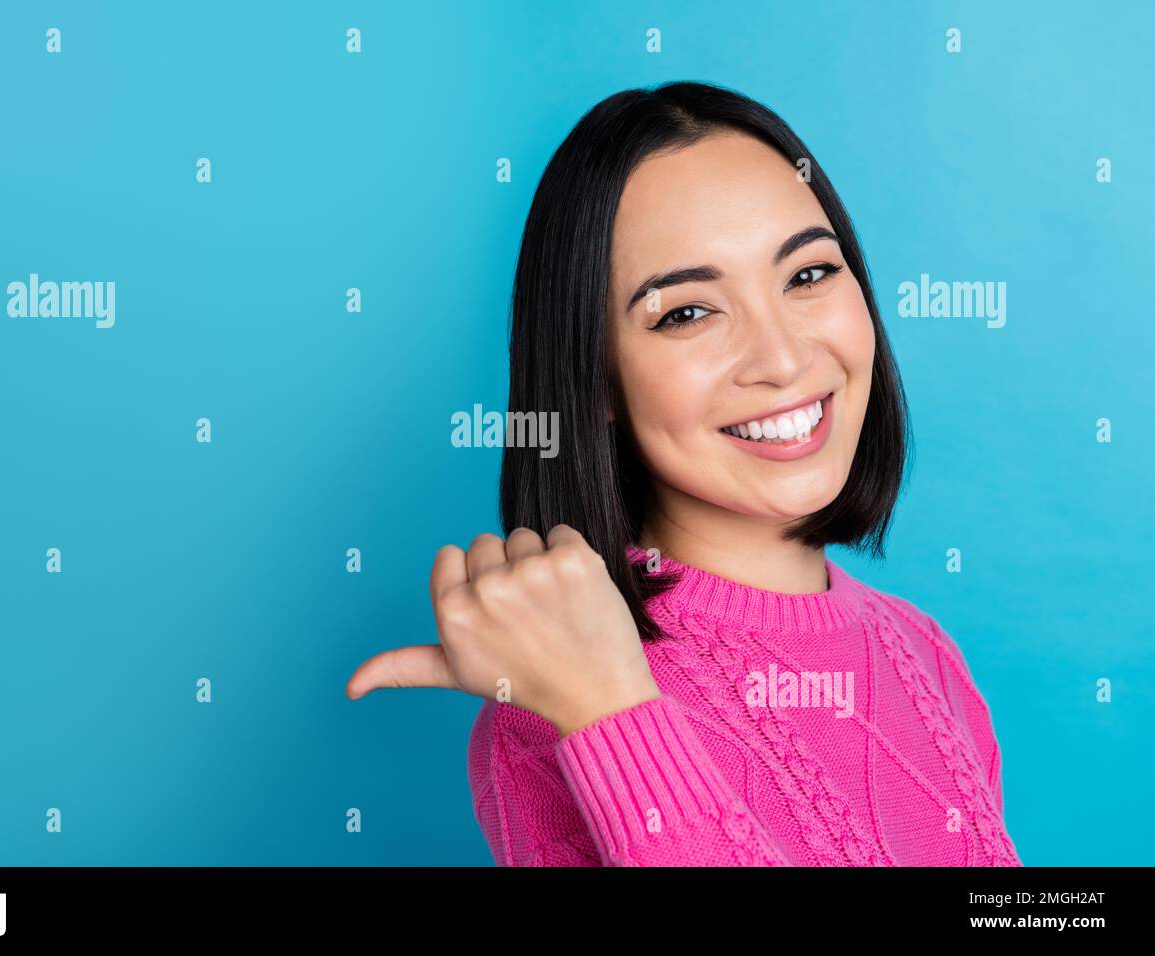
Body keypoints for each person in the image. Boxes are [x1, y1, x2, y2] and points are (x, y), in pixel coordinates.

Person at [346, 81, 1021, 867]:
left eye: (807, 275)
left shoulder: (924, 652)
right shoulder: (548, 706)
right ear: (594, 378)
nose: (784, 358)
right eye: (687, 312)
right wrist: (608, 716)